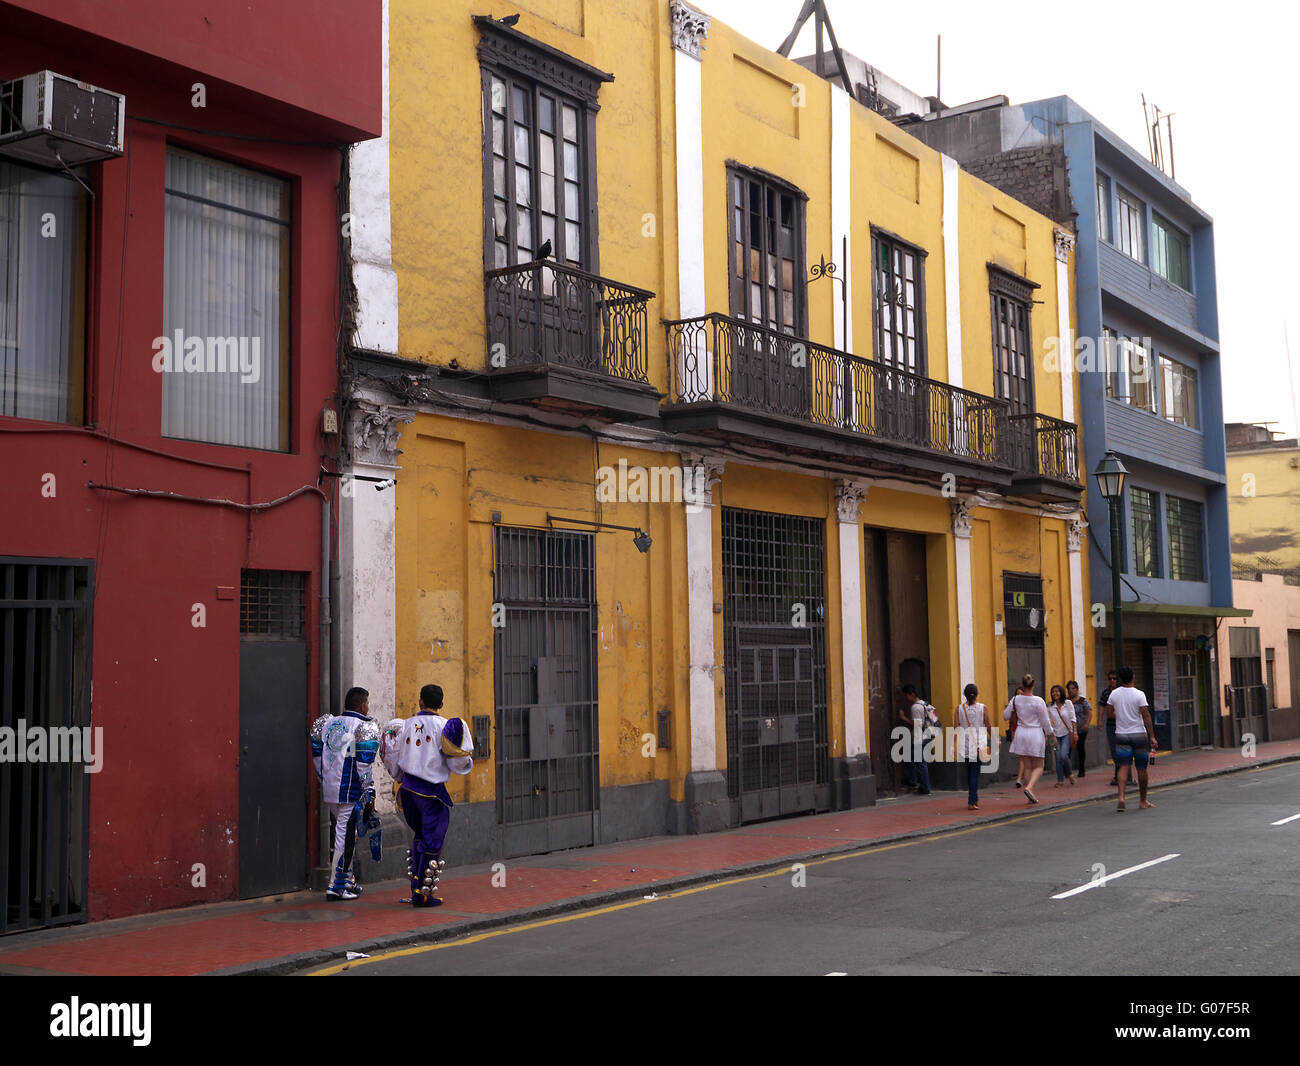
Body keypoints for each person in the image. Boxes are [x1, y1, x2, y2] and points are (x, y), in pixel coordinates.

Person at [381, 684, 474, 906]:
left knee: (419, 836)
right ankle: (423, 894)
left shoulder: (404, 725)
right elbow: (456, 761)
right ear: (441, 704)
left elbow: (393, 755)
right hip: (431, 792)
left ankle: (416, 888)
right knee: (433, 841)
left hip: (408, 789)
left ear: (420, 702)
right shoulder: (445, 726)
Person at [310, 687, 381, 901]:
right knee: (344, 835)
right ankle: (337, 886)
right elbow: (363, 765)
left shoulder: (329, 723)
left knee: (344, 834)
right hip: (349, 790)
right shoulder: (363, 726)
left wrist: (325, 780)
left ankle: (347, 879)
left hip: (331, 789)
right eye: (367, 703)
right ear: (362, 705)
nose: (368, 707)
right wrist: (368, 791)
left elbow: (317, 758)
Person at [1108, 665, 1156, 812]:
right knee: (1142, 768)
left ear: (1120, 679)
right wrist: (1152, 736)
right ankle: (1142, 800)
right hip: (1139, 734)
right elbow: (1146, 716)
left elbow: (1109, 714)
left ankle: (1121, 798)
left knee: (1123, 766)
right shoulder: (1139, 694)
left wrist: (1121, 716)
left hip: (1121, 734)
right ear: (1133, 677)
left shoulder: (1114, 694)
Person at [1006, 674, 1053, 804]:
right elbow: (1045, 721)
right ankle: (1030, 787)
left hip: (1021, 732)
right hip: (1035, 733)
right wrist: (1051, 734)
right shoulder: (1038, 701)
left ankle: (1029, 795)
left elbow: (1005, 715)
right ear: (1034, 684)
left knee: (1027, 765)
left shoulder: (1016, 699)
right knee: (1039, 765)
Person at [954, 683, 991, 810]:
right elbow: (988, 725)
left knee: (970, 773)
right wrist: (995, 739)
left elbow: (956, 728)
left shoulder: (959, 709)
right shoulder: (982, 708)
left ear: (965, 694)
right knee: (975, 774)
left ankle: (974, 799)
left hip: (965, 745)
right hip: (978, 745)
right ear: (976, 694)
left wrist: (953, 746)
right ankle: (971, 801)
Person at [900, 684, 932, 795]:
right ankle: (914, 782)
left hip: (919, 737)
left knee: (920, 762)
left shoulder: (915, 707)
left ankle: (924, 787)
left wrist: (904, 718)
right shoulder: (925, 704)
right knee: (916, 760)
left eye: (906, 695)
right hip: (927, 735)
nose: (906, 698)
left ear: (912, 695)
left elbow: (916, 725)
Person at [1047, 684, 1077, 787]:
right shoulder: (1050, 706)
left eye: (1057, 691)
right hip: (1054, 737)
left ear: (1061, 692)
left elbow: (1073, 718)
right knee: (1057, 756)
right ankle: (1060, 780)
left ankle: (1069, 773)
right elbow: (1047, 721)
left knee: (1063, 755)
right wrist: (1048, 735)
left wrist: (1075, 732)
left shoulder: (1067, 703)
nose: (1055, 693)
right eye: (1053, 692)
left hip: (1066, 735)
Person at [1067, 680, 1093, 777]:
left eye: (1073, 688)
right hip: (1069, 730)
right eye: (1069, 689)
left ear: (1077, 690)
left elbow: (1089, 712)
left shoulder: (1082, 701)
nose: (1071, 691)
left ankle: (1081, 770)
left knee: (1080, 749)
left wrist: (1087, 724)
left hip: (1081, 729)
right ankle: (1068, 771)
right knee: (1067, 750)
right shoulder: (1066, 701)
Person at [1099, 670, 1119, 786]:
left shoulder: (1122, 692)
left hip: (1122, 725)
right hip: (1111, 725)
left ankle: (1121, 774)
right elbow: (1102, 706)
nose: (1112, 680)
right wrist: (1100, 721)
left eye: (1114, 678)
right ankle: (1118, 773)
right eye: (1110, 678)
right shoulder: (1106, 693)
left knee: (1122, 750)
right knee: (1114, 750)